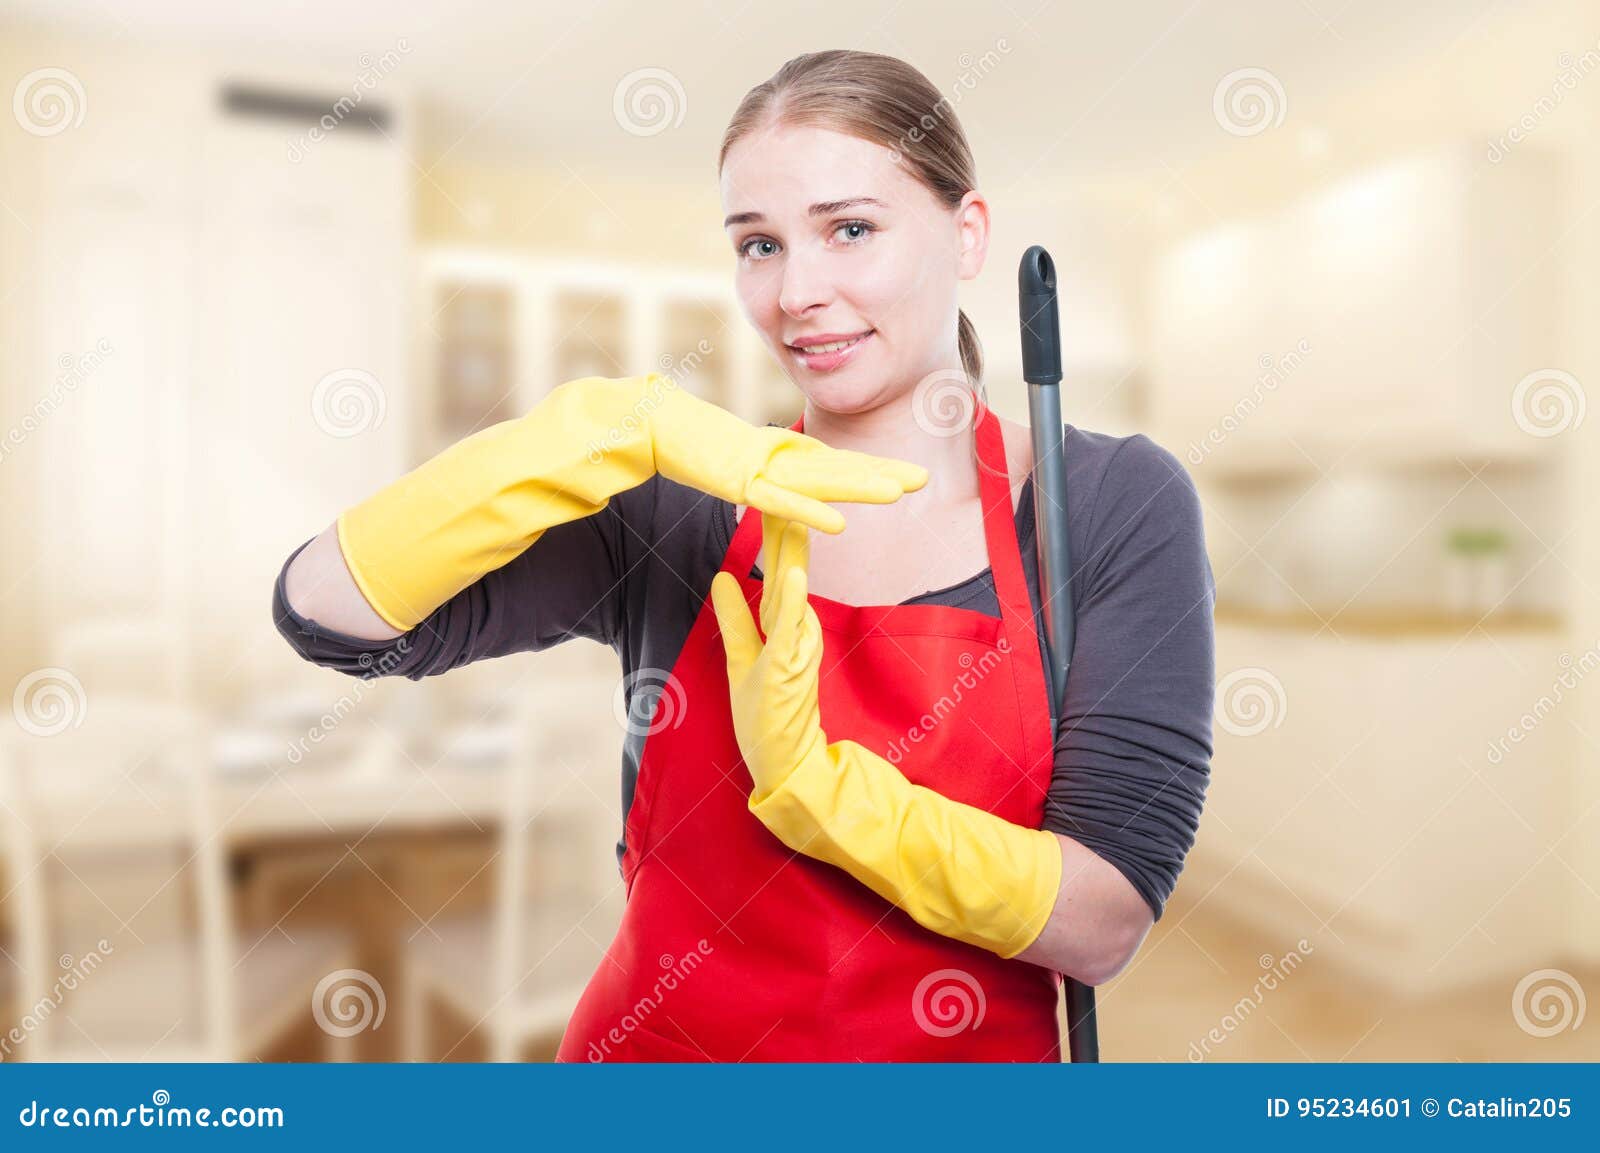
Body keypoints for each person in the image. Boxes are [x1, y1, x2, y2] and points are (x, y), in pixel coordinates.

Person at [274, 49, 1215, 1062]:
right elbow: (325, 612)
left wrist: (824, 792)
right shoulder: (677, 511)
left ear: (966, 232)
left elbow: (1103, 918)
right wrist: (569, 437)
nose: (796, 290)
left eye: (849, 229)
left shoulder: (1107, 506)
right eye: (757, 244)